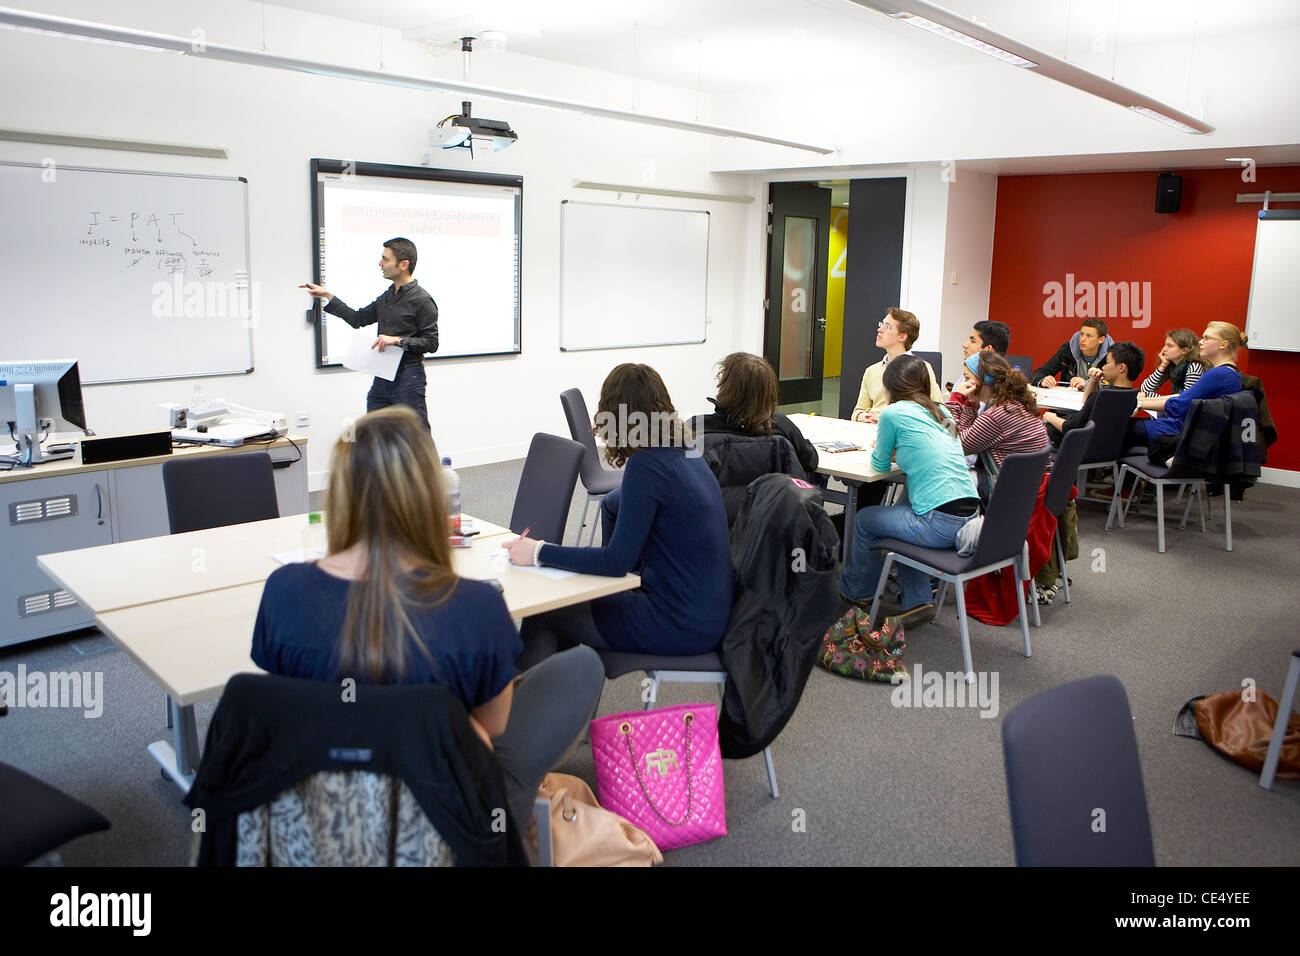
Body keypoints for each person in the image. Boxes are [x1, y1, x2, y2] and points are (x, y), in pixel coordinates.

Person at [249, 406, 603, 833]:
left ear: (340, 494)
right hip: (440, 812)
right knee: (579, 667)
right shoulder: (475, 606)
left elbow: (286, 704)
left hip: (323, 808)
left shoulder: (283, 590)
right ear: (430, 493)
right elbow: (493, 726)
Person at [509, 364, 733, 663]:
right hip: (710, 614)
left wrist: (538, 551)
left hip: (677, 623)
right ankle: (557, 693)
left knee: (547, 610)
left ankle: (525, 701)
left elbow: (616, 562)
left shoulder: (647, 465)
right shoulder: (688, 451)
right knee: (574, 596)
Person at [839, 354, 979, 624]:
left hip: (938, 523)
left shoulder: (892, 413)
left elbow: (879, 464)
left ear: (890, 386)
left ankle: (859, 593)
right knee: (905, 504)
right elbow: (954, 449)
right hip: (969, 514)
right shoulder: (944, 411)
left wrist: (893, 451)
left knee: (865, 520)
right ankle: (917, 599)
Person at [302, 237, 439, 432]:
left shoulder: (422, 300)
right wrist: (328, 296)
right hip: (383, 375)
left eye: (385, 259)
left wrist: (397, 341)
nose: (380, 264)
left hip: (409, 377)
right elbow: (358, 319)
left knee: (417, 435)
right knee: (374, 432)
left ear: (403, 264)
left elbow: (431, 343)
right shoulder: (387, 297)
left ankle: (427, 464)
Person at [693, 351, 818, 476]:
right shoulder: (781, 425)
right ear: (768, 390)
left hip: (717, 495)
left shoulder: (697, 425)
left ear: (725, 386)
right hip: (770, 495)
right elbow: (810, 461)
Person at [1127, 321, 1247, 451]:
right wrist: (1139, 400)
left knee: (1119, 427)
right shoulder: (1229, 372)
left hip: (1181, 432)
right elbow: (1183, 397)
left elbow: (1179, 405)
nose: (1200, 342)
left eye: (1206, 338)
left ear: (1223, 344)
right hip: (1185, 429)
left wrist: (1139, 403)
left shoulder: (1218, 374)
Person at [946, 352, 1048, 499]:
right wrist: (968, 405)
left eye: (967, 378)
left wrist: (955, 400)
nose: (963, 383)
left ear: (984, 381)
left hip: (1007, 490)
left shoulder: (997, 415)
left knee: (940, 480)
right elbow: (966, 435)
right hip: (1027, 485)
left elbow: (953, 444)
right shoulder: (1012, 403)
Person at [1042, 341, 1145, 445]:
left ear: (1122, 368)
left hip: (1075, 446)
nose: (1103, 367)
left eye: (1107, 362)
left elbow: (1070, 428)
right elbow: (1087, 403)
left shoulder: (1101, 396)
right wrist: (1094, 380)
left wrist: (1050, 417)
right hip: (1101, 448)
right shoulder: (1132, 398)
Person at [852, 307, 941, 423]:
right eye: (881, 324)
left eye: (887, 326)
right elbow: (858, 410)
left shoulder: (922, 368)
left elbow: (937, 409)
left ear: (902, 336)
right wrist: (861, 416)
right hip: (871, 429)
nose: (880, 329)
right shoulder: (871, 370)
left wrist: (889, 419)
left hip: (902, 429)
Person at [1031, 317, 1114, 390]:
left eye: (1089, 336)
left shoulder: (1112, 356)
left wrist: (1086, 384)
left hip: (1096, 403)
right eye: (1081, 334)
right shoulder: (1067, 351)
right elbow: (1038, 372)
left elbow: (1114, 384)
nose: (1082, 339)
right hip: (1068, 403)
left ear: (1101, 339)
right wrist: (1042, 380)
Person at [1140, 329, 1204, 397]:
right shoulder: (1172, 365)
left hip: (1188, 405)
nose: (1164, 349)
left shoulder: (1194, 366)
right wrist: (1163, 365)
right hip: (1178, 403)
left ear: (1184, 351)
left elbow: (1186, 398)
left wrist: (1150, 397)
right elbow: (1145, 389)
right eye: (1165, 345)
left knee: (1144, 396)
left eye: (1170, 346)